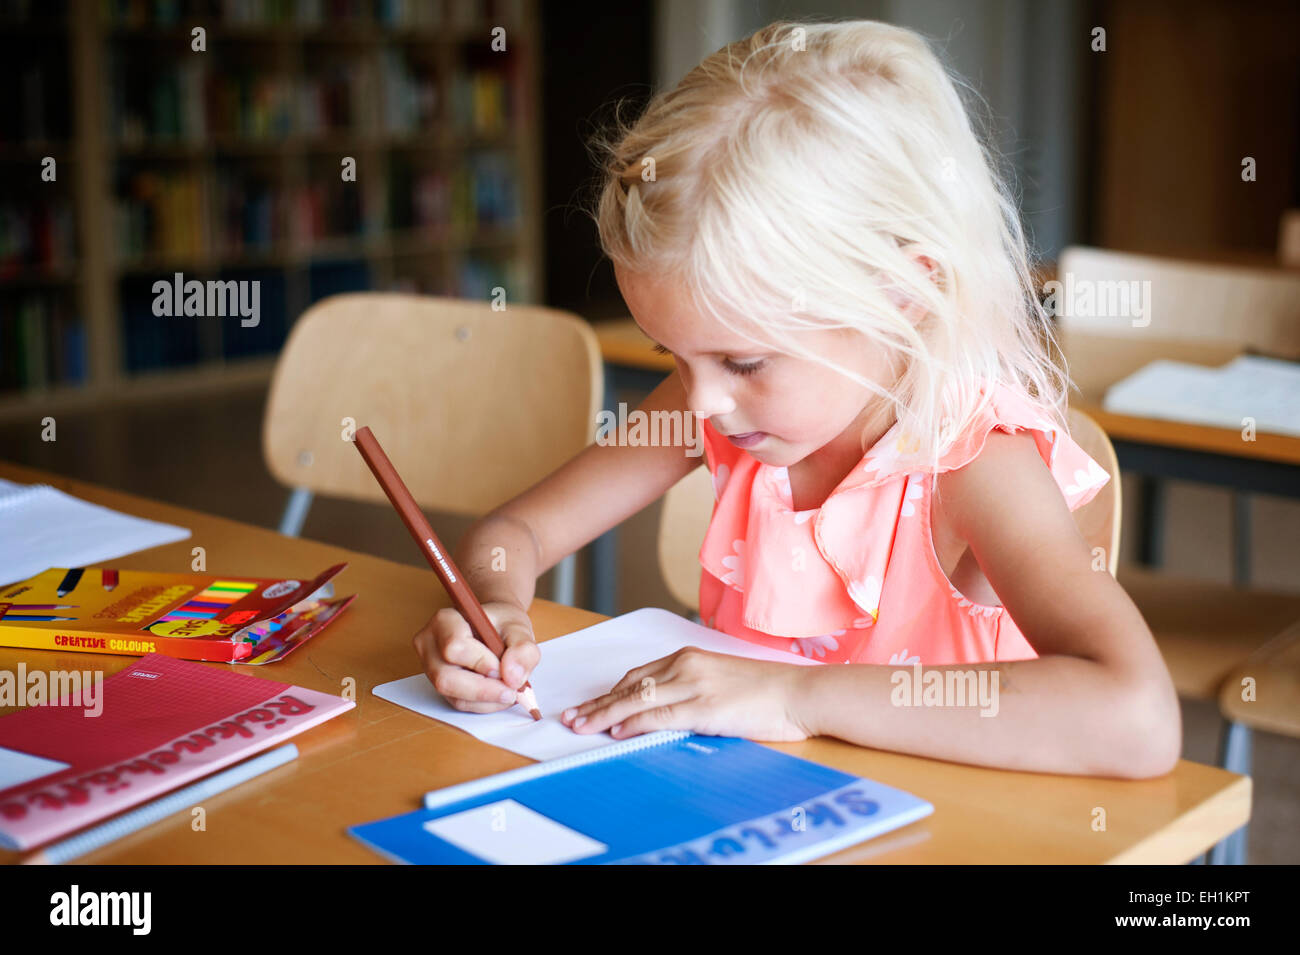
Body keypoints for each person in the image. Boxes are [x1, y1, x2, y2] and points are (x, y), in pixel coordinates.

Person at [411, 19, 1180, 778]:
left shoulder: (977, 461)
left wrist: (795, 696)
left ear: (904, 291)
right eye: (673, 354)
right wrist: (493, 607)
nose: (701, 399)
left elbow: (1136, 715)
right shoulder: (715, 400)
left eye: (744, 360)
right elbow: (515, 532)